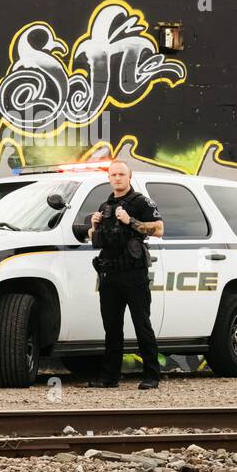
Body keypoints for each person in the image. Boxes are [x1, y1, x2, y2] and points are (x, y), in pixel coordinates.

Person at [86, 159, 164, 390]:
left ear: (129, 177)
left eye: (121, 174)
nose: (117, 178)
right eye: (113, 175)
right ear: (109, 178)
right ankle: (109, 378)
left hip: (133, 274)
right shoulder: (104, 206)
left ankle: (151, 376)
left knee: (142, 324)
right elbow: (98, 240)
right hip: (109, 274)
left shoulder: (141, 202)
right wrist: (93, 226)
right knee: (112, 328)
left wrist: (131, 221)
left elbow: (159, 229)